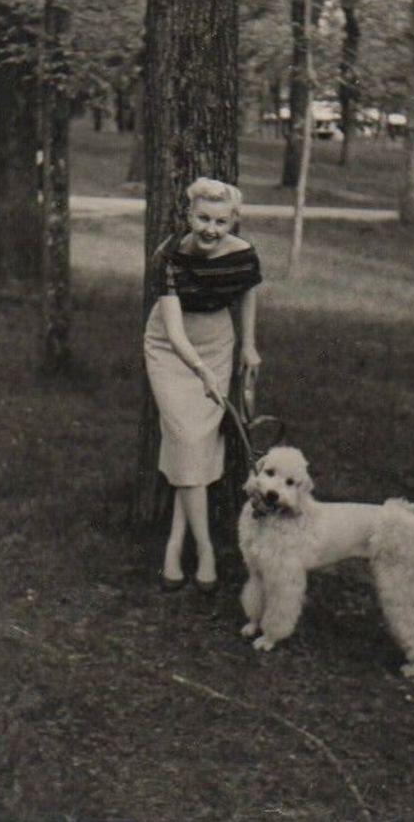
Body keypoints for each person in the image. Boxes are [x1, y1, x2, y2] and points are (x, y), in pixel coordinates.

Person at [144, 177, 262, 593]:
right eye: (204, 218)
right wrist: (202, 372)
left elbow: (248, 292)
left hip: (216, 340)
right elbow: (174, 333)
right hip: (171, 349)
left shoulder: (244, 254)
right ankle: (206, 549)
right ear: (189, 216)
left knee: (191, 445)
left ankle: (174, 546)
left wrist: (248, 346)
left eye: (222, 221)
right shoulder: (170, 255)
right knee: (188, 436)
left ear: (233, 222)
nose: (212, 228)